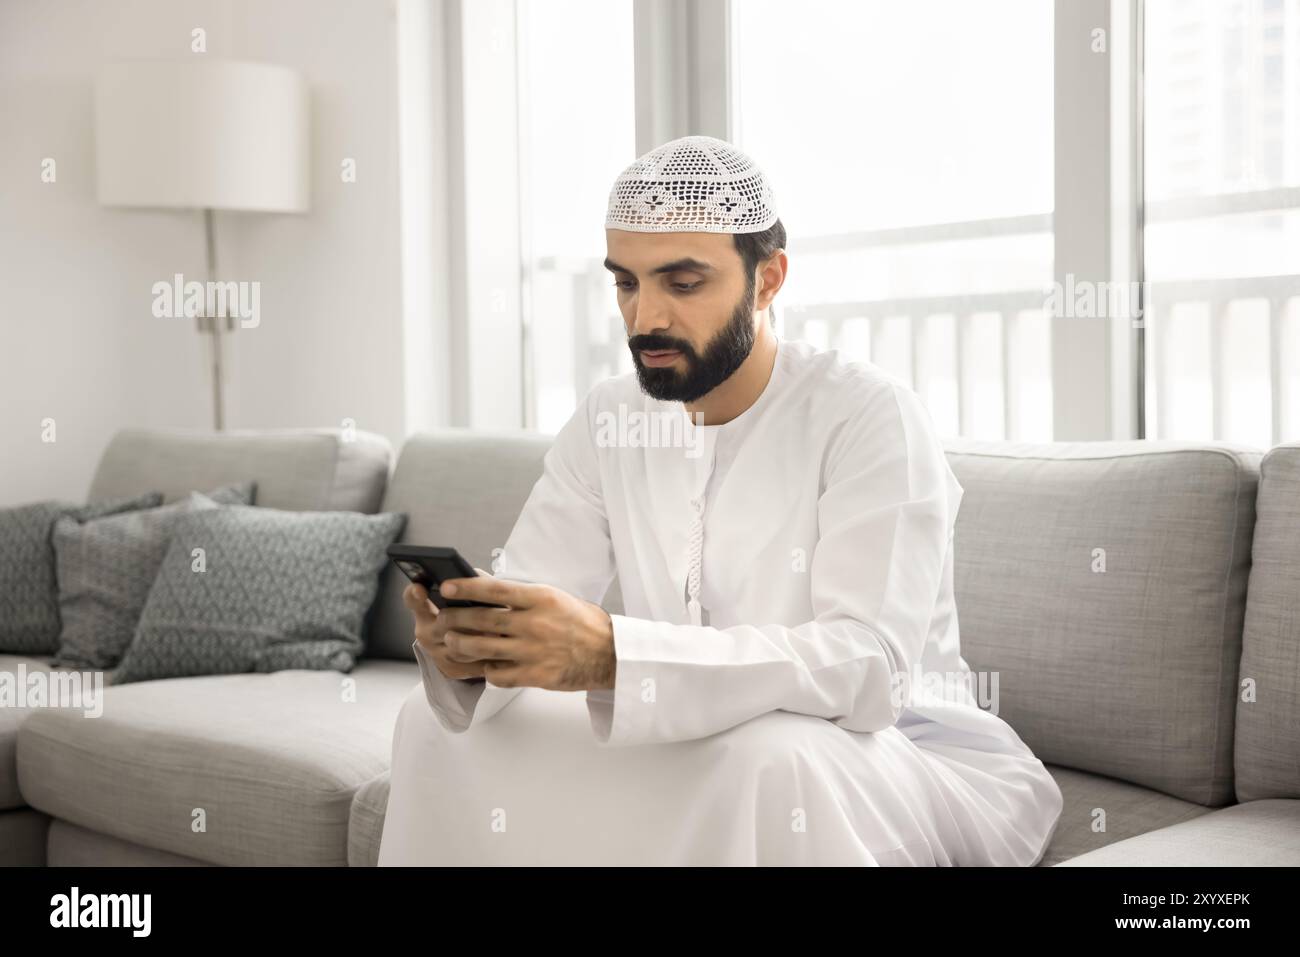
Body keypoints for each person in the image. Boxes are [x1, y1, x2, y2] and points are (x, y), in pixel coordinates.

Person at [378, 135, 1063, 866]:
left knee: (767, 756)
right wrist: (473, 645)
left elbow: (870, 668)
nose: (645, 319)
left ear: (768, 279)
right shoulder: (609, 417)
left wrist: (617, 656)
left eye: (682, 282)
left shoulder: (868, 414)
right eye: (626, 283)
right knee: (429, 721)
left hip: (891, 750)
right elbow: (532, 588)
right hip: (687, 731)